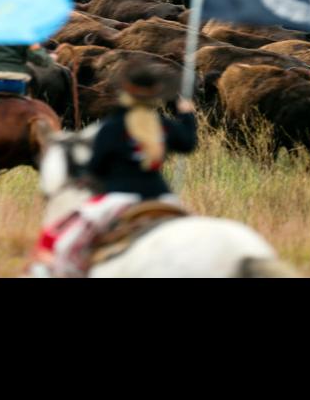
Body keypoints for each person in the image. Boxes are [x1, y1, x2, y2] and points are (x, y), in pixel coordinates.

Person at [29, 60, 197, 278]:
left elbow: (96, 167)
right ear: (156, 94)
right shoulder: (163, 125)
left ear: (126, 92)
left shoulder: (112, 127)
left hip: (118, 199)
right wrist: (187, 115)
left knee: (66, 241)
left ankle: (48, 272)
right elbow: (188, 143)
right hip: (163, 198)